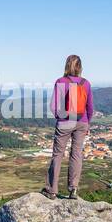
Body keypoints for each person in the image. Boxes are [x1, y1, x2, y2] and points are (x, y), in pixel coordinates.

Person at [44, 54, 93, 200]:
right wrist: (87, 123)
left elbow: (54, 106)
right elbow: (90, 107)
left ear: (66, 65)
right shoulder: (86, 83)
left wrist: (61, 118)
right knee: (76, 154)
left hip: (65, 122)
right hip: (82, 122)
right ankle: (73, 190)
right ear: (80, 67)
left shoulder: (61, 81)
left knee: (58, 154)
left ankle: (52, 190)